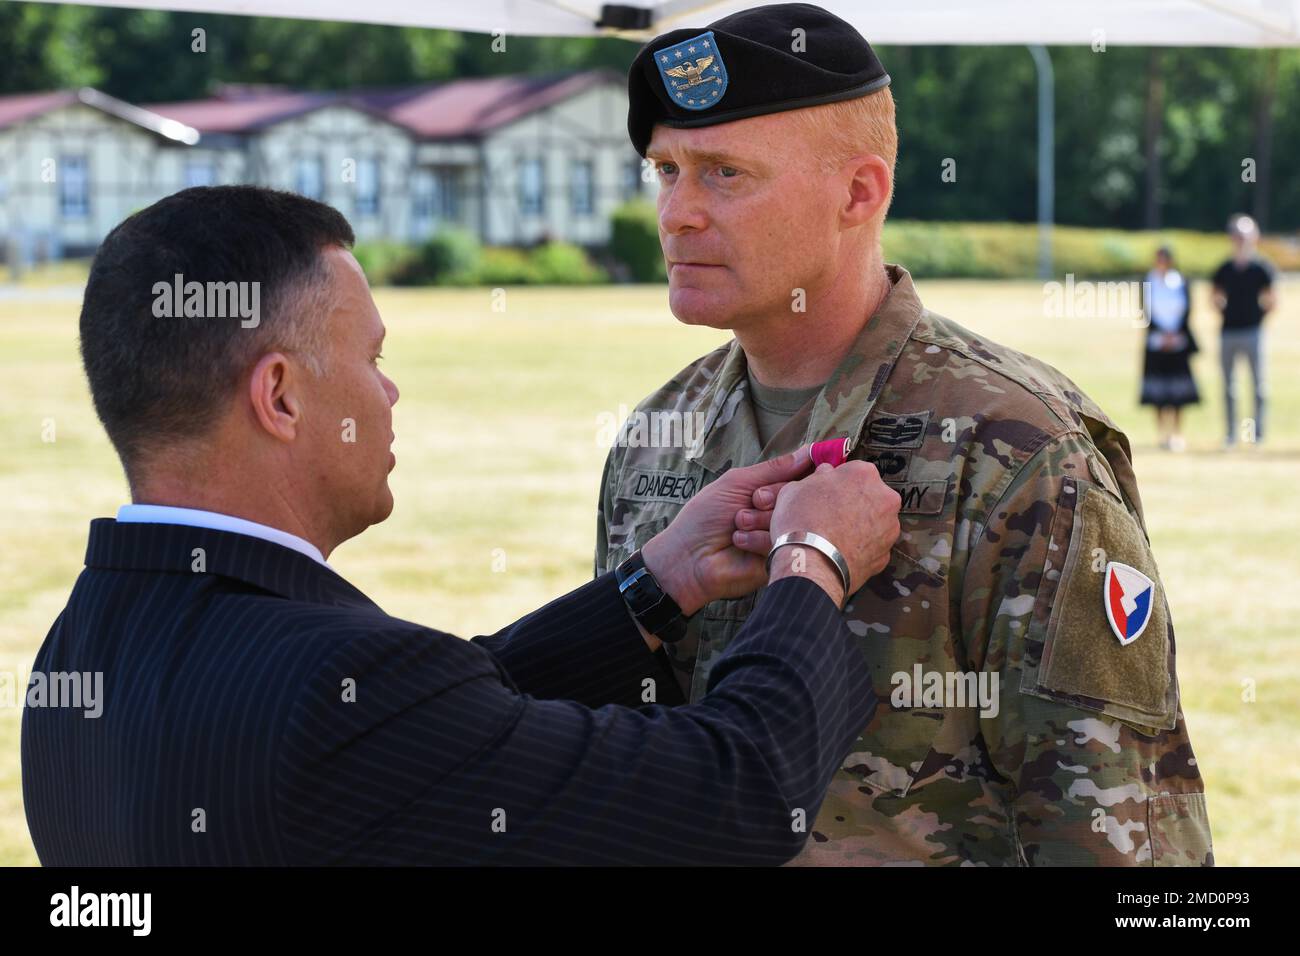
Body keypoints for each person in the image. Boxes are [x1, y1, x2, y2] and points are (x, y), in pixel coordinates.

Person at [21, 185, 906, 866]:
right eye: (372, 358)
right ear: (281, 396)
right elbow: (739, 793)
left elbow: (448, 721)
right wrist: (813, 558)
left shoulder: (77, 655)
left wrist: (656, 583)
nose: (389, 391)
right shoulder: (334, 685)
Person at [598, 3, 1213, 865]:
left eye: (725, 174)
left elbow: (1119, 838)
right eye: (665, 171)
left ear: (860, 192)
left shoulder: (1020, 450)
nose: (678, 214)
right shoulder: (653, 440)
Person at [1212, 213, 1276, 447]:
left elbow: (1271, 299)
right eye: (1237, 235)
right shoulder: (1225, 268)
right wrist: (1225, 312)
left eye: (1245, 235)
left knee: (1259, 385)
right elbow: (1215, 296)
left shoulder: (1262, 268)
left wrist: (1258, 317)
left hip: (1253, 331)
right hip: (1228, 332)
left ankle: (1257, 434)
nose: (1241, 239)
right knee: (1229, 386)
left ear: (1254, 236)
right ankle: (1231, 434)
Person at [1139, 246, 1199, 452]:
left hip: (1178, 341)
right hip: (1156, 342)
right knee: (1158, 391)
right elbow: (1144, 312)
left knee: (1178, 392)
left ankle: (1177, 433)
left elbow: (1188, 309)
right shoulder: (1148, 282)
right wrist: (1161, 333)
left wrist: (1175, 333)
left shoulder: (1181, 281)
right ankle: (1162, 435)